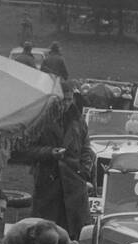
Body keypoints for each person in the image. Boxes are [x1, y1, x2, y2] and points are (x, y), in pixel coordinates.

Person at [12, 97, 95, 234]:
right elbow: (24, 149)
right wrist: (49, 152)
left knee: (76, 231)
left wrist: (84, 170)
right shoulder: (41, 120)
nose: (65, 103)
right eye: (62, 99)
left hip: (75, 183)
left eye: (69, 99)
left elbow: (86, 148)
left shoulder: (78, 120)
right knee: (45, 230)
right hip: (48, 182)